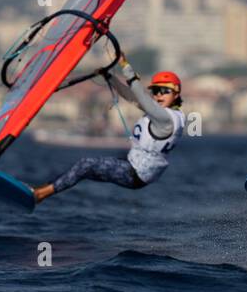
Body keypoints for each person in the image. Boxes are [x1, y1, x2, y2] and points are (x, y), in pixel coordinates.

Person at [33, 61, 185, 202]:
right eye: (156, 91)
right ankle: (41, 189)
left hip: (136, 174)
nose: (159, 95)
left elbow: (142, 98)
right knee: (82, 169)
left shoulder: (167, 119)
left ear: (176, 94)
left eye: (165, 91)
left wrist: (127, 68)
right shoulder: (163, 113)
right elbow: (132, 97)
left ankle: (40, 194)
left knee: (86, 164)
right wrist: (109, 77)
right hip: (134, 166)